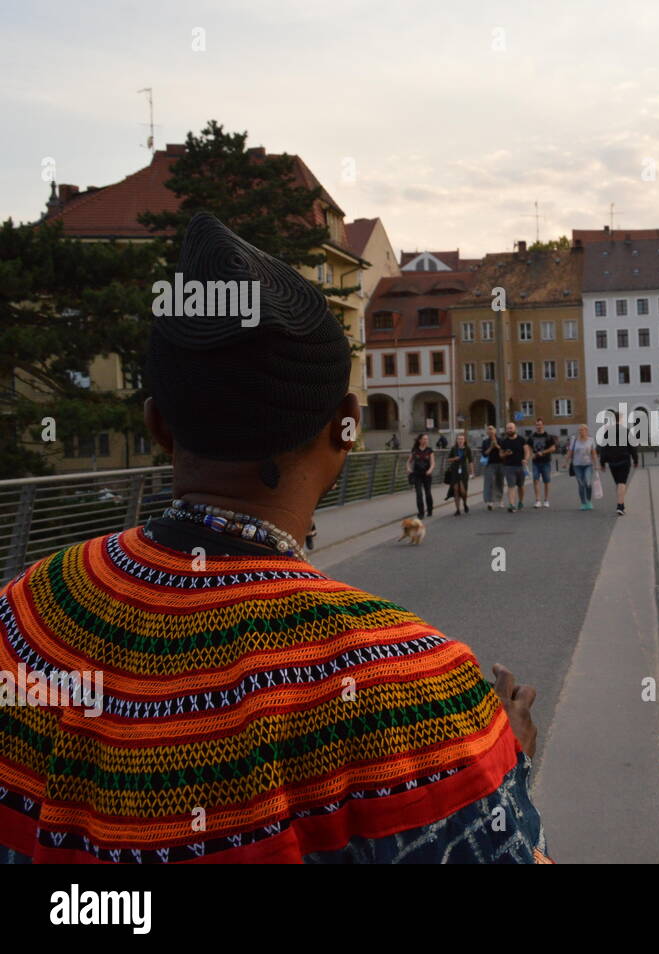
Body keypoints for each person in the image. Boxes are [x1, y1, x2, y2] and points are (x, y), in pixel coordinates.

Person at [0, 213, 550, 864]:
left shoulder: (26, 615)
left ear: (158, 426)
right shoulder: (415, 693)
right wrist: (498, 761)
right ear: (346, 429)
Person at [597, 415, 639, 516]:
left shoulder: (607, 432)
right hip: (624, 460)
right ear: (620, 419)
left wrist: (602, 463)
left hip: (612, 462)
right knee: (622, 482)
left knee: (618, 483)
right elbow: (632, 447)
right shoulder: (626, 431)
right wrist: (636, 460)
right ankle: (620, 505)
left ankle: (621, 504)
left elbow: (603, 448)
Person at [497, 420, 530, 513]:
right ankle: (511, 504)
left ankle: (521, 502)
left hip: (520, 466)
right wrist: (505, 454)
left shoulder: (521, 439)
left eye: (511, 428)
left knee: (521, 486)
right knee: (511, 486)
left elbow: (527, 451)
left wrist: (526, 459)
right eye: (508, 428)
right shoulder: (504, 441)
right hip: (509, 467)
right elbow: (500, 454)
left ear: (515, 429)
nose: (509, 430)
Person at [565, 423, 597, 510]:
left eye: (582, 430)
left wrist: (596, 464)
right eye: (579, 430)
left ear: (586, 431)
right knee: (581, 484)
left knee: (587, 482)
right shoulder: (574, 440)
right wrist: (566, 462)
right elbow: (570, 452)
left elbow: (593, 453)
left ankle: (589, 501)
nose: (581, 431)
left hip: (588, 465)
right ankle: (583, 503)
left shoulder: (591, 440)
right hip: (577, 465)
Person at [529, 417, 558, 508]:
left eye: (540, 424)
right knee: (535, 480)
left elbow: (553, 448)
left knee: (546, 481)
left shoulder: (548, 437)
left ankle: (546, 500)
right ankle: (537, 500)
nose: (538, 426)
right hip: (535, 462)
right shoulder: (532, 437)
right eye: (537, 425)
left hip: (546, 461)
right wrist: (530, 455)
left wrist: (543, 452)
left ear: (543, 425)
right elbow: (527, 447)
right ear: (535, 426)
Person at [445, 431, 474, 515]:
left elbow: (471, 461)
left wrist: (472, 472)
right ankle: (457, 509)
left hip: (464, 470)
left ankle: (464, 503)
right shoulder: (454, 448)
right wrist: (454, 458)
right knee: (456, 490)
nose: (460, 440)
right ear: (456, 440)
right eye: (459, 439)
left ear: (464, 440)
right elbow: (448, 459)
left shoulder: (467, 448)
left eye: (462, 439)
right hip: (454, 470)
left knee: (463, 490)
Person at [407, 432, 435, 518]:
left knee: (428, 493)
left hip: (426, 474)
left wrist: (430, 470)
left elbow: (433, 463)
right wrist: (408, 468)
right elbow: (409, 461)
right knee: (419, 494)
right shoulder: (415, 450)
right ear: (420, 440)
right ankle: (421, 513)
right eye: (424, 439)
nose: (426, 440)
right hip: (417, 474)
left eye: (427, 439)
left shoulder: (429, 450)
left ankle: (430, 509)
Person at [480, 425, 504, 510]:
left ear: (495, 431)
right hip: (489, 464)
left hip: (501, 464)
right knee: (490, 482)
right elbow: (484, 454)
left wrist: (496, 445)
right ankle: (490, 502)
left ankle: (500, 500)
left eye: (491, 429)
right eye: (488, 430)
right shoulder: (485, 442)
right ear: (487, 432)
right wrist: (491, 447)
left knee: (499, 482)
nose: (490, 431)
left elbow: (503, 451)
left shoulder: (501, 440)